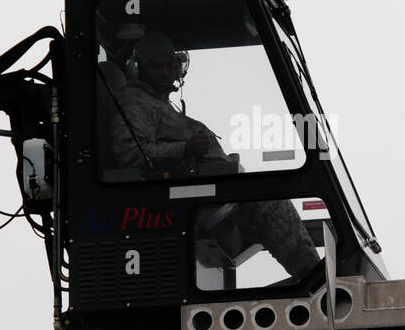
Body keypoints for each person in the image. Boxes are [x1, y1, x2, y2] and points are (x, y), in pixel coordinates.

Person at [109, 32, 319, 280]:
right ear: (139, 69)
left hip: (204, 193)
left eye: (170, 65)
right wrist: (184, 149)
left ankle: (313, 276)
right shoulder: (135, 102)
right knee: (269, 203)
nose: (166, 72)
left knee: (268, 201)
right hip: (177, 199)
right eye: (157, 66)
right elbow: (130, 155)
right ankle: (314, 280)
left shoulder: (160, 103)